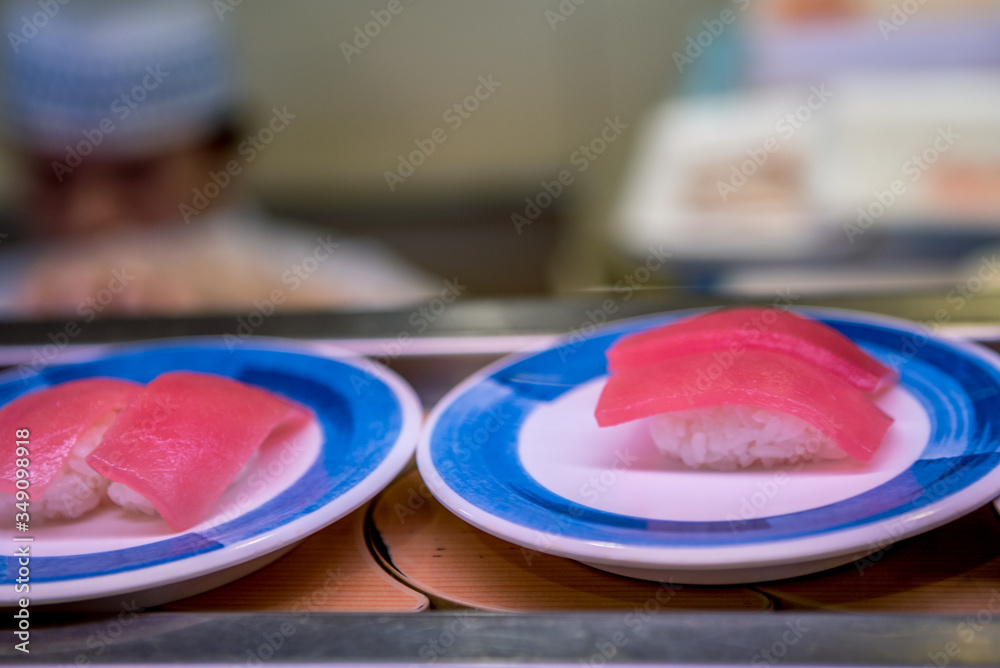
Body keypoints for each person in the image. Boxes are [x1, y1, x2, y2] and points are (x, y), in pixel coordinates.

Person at [0, 0, 437, 317]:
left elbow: (459, 360)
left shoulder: (332, 282)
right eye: (55, 176)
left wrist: (260, 302)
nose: (89, 214)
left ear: (222, 157)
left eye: (135, 174)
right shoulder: (14, 297)